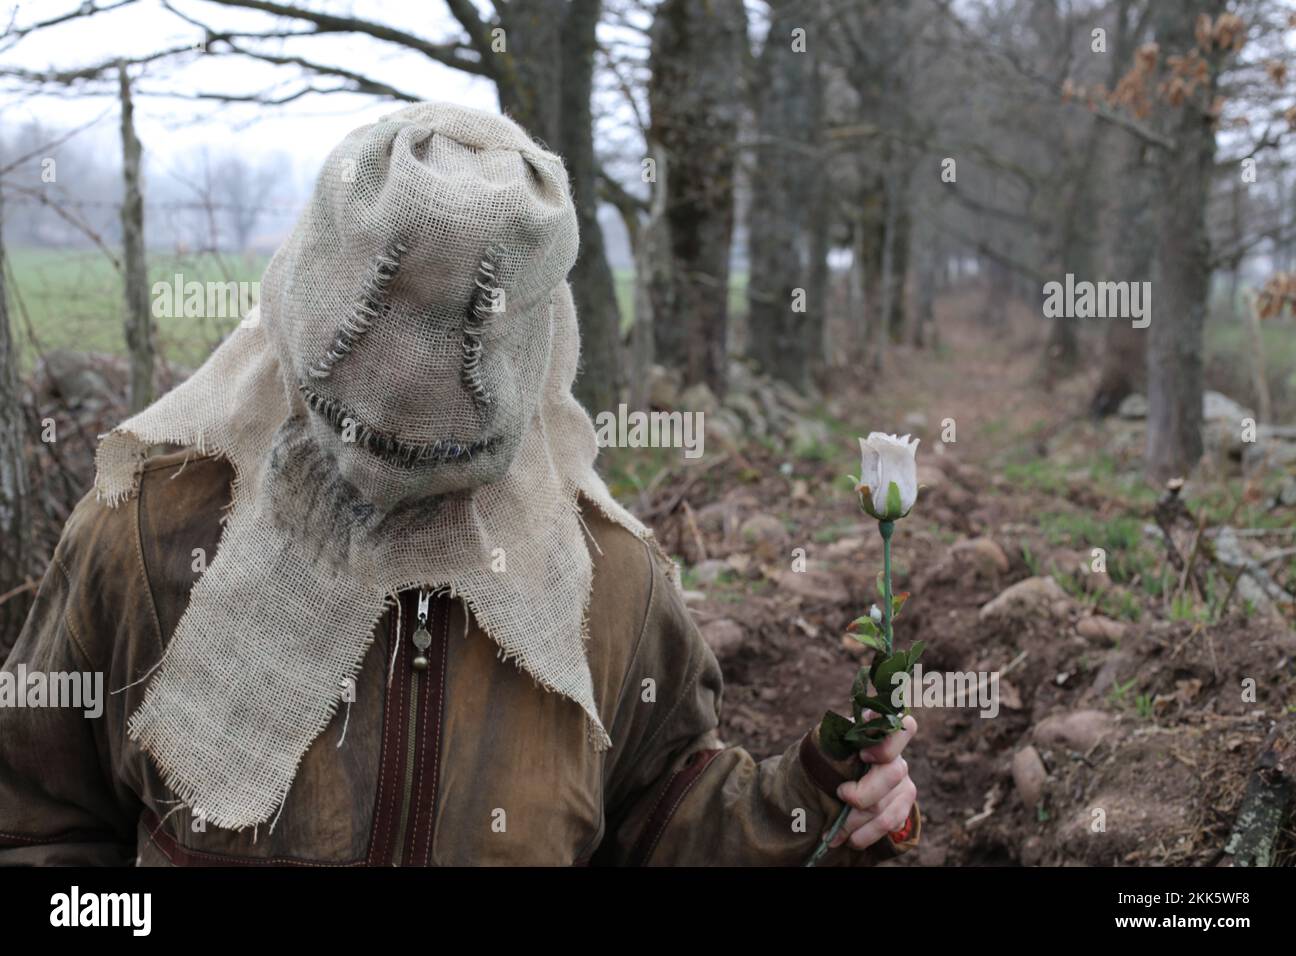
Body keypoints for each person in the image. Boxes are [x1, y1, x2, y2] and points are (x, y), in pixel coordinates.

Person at [0, 102, 918, 866]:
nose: (391, 441)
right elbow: (37, 822)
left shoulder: (605, 586)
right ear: (312, 301)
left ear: (527, 348)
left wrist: (818, 802)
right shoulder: (150, 532)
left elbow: (659, 818)